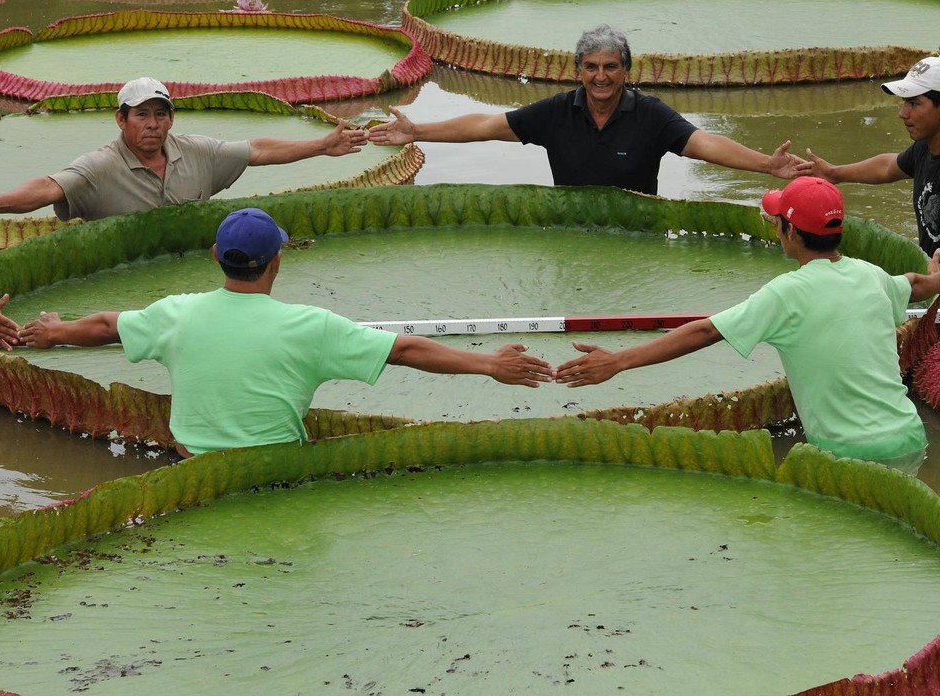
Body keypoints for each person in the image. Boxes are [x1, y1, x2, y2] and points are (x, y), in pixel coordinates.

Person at [19, 207, 554, 456]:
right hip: (271, 472)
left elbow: (106, 325)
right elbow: (407, 349)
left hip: (188, 465)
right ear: (277, 261)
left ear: (215, 258)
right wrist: (489, 364)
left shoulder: (174, 313)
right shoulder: (310, 327)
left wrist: (55, 331)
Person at [554, 176, 933, 473]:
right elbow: (913, 284)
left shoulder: (786, 294)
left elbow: (705, 331)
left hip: (850, 453)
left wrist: (619, 361)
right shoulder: (870, 274)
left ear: (791, 233)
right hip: (909, 436)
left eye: (779, 221)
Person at [367, 24, 803, 195]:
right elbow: (484, 124)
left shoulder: (651, 115)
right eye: (592, 67)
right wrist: (417, 130)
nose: (601, 77)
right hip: (571, 228)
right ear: (577, 71)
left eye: (611, 67)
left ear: (627, 71)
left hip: (637, 231)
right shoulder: (555, 112)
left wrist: (766, 165)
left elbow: (705, 144)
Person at [0, 77, 368, 229]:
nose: (152, 123)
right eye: (142, 115)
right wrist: (0, 202)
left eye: (160, 114)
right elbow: (48, 188)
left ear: (171, 119)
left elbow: (257, 150)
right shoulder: (100, 166)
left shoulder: (199, 153)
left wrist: (321, 146)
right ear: (121, 120)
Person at [805, 56, 940, 256]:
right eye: (904, 103)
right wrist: (833, 173)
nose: (902, 113)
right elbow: (886, 167)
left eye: (914, 103)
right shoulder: (923, 149)